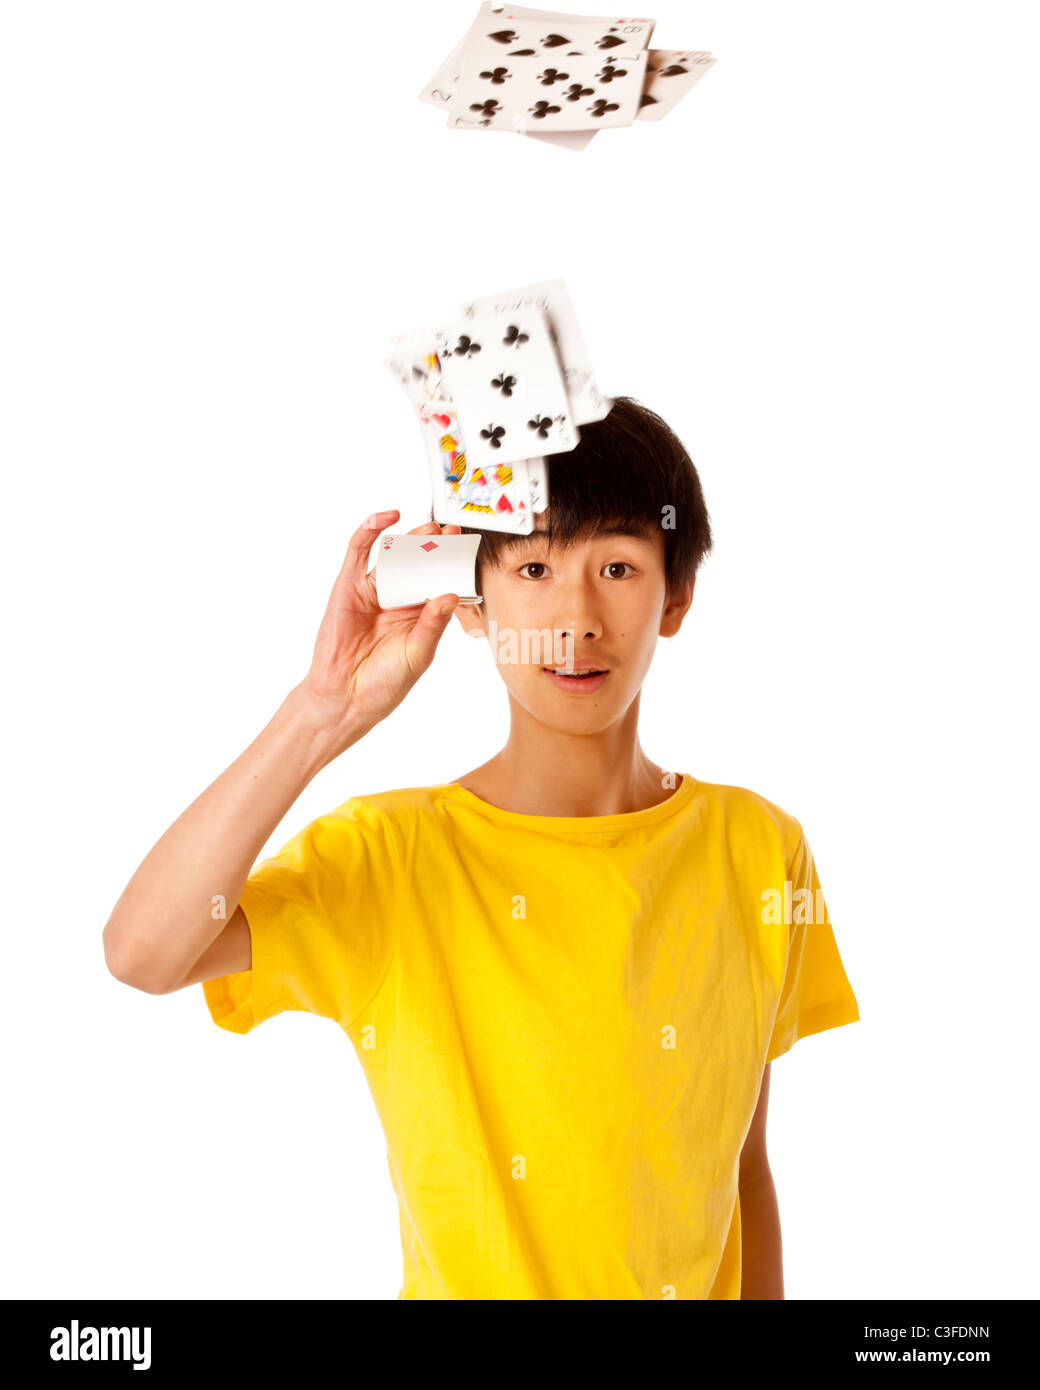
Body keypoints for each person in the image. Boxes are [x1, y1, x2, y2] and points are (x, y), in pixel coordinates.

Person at [103, 395, 860, 1300]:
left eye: (617, 566)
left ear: (677, 596)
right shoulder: (389, 857)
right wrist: (321, 714)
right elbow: (143, 953)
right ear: (470, 601)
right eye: (533, 566)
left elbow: (744, 1170)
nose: (575, 619)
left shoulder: (760, 848)